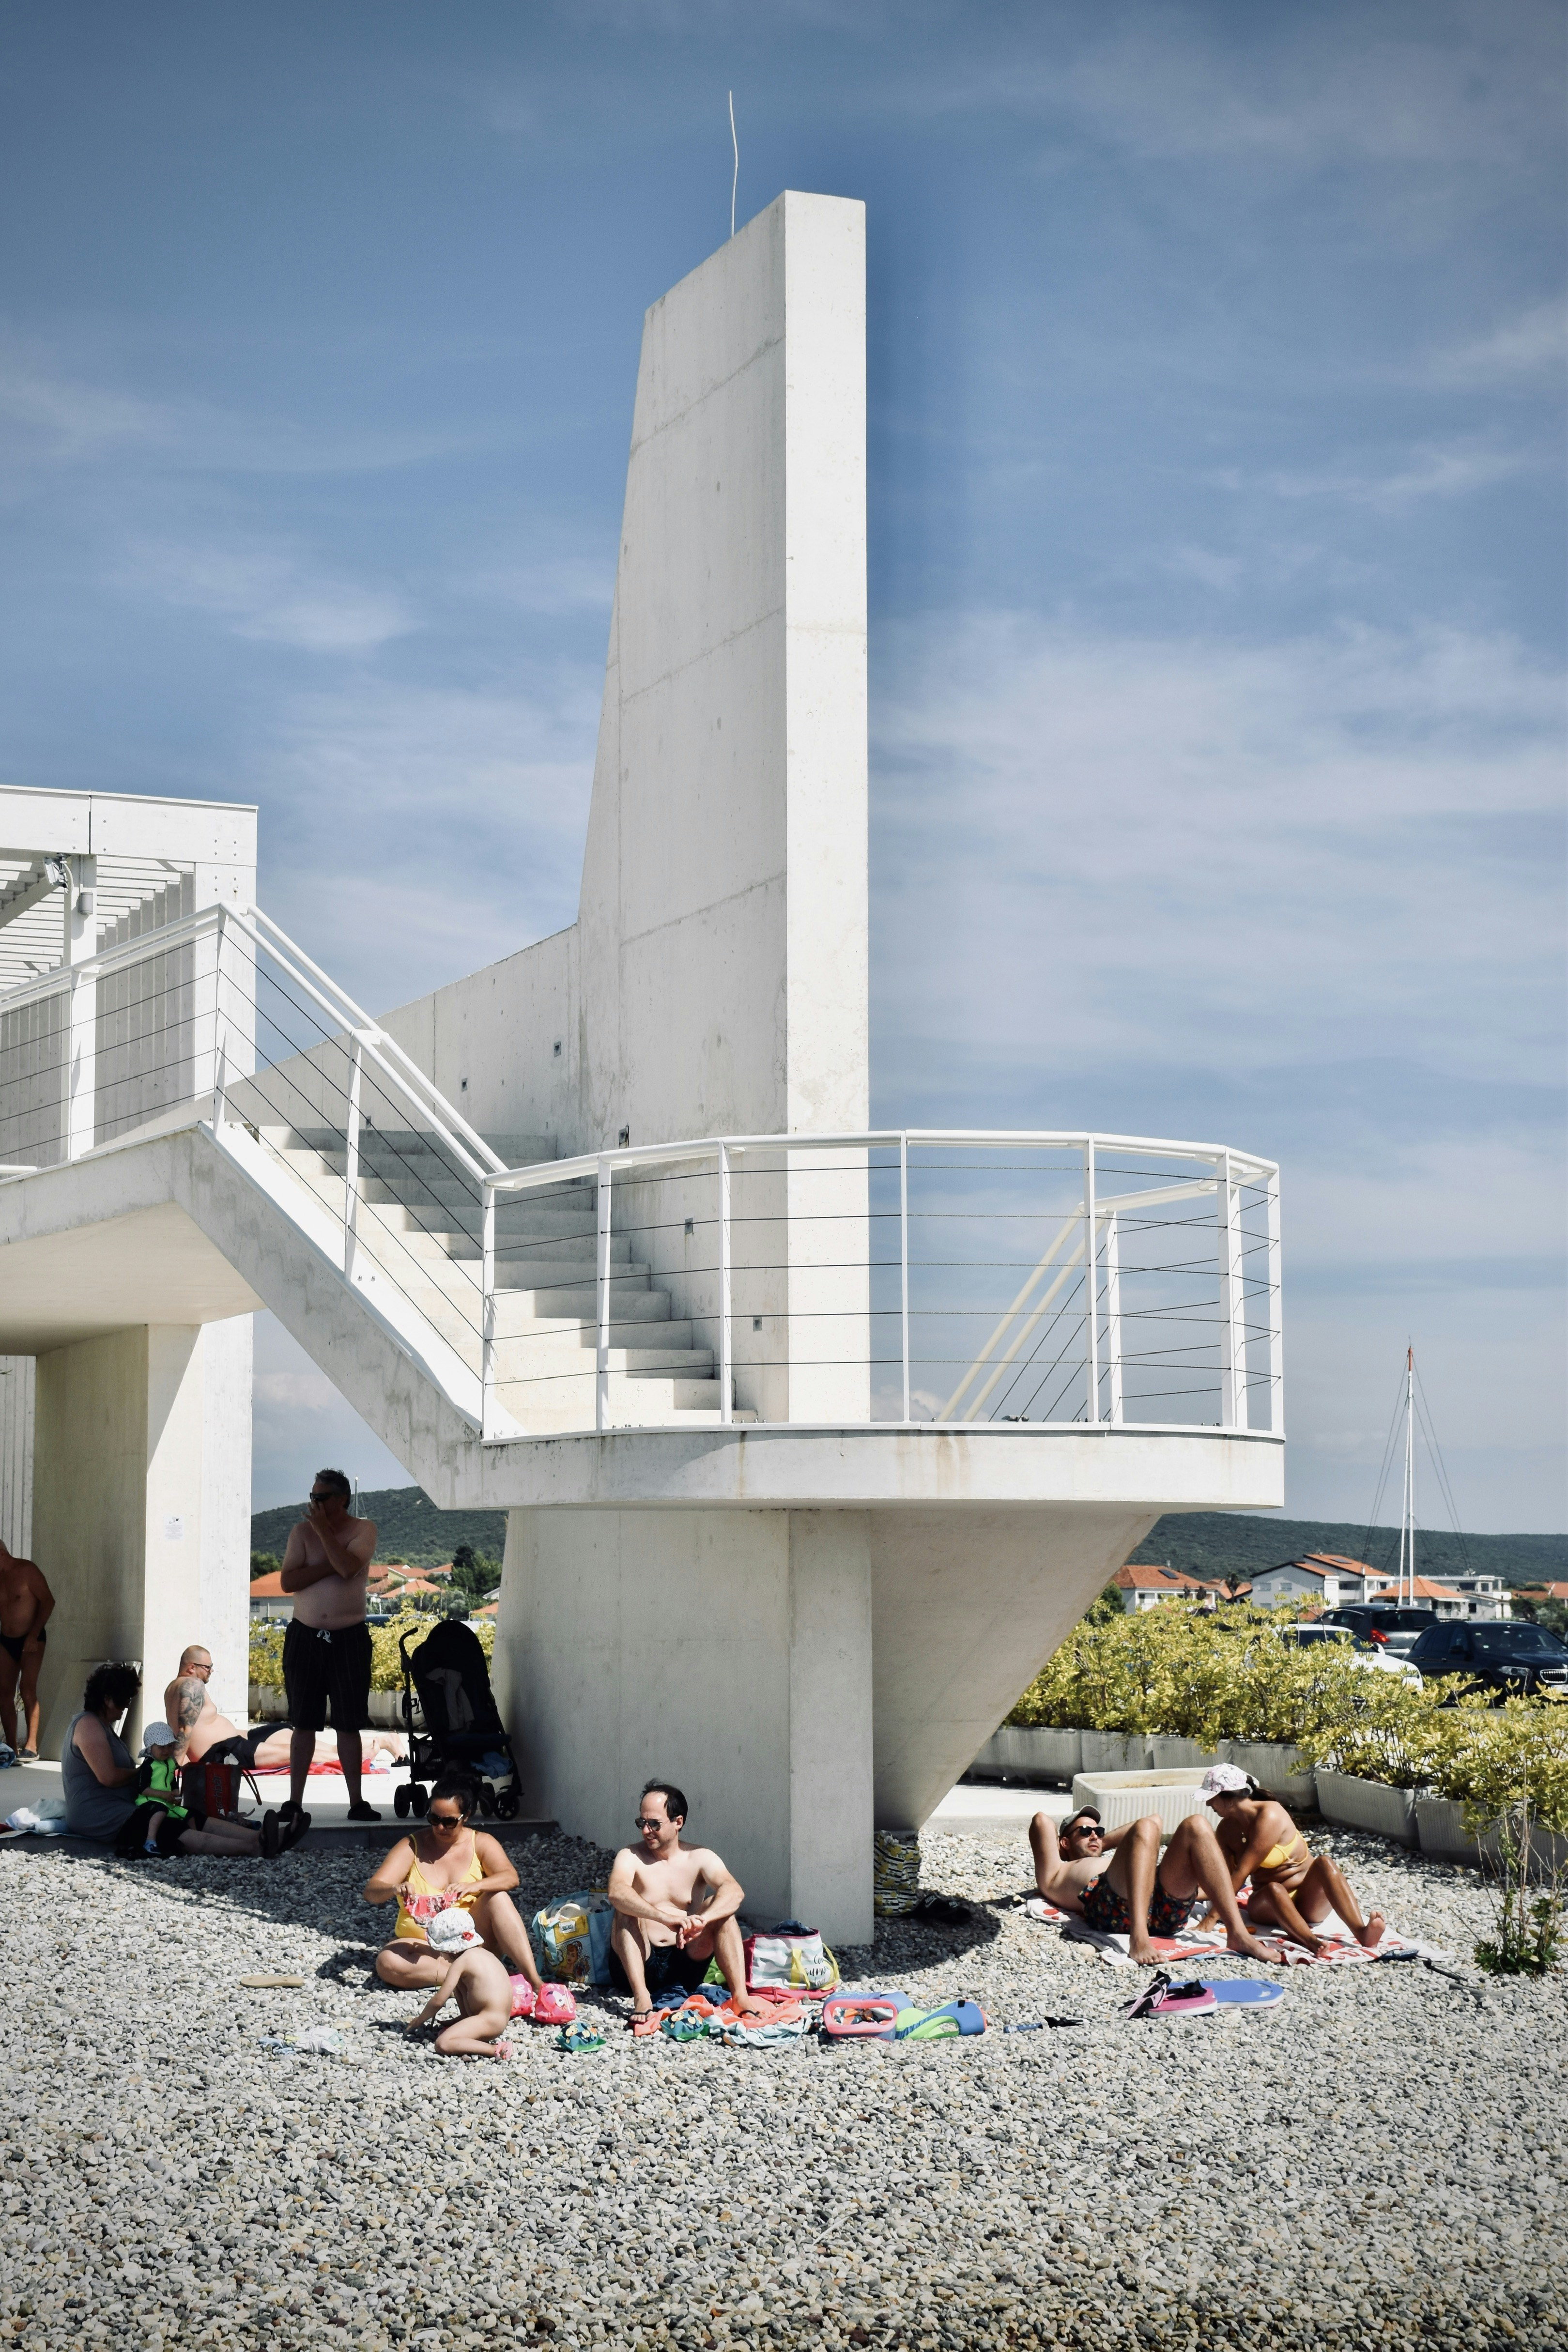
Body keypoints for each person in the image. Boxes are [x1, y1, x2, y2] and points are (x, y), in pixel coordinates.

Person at [62, 1664, 274, 1856]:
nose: (127, 1706)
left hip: (119, 1808)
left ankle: (263, 1837)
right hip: (100, 1816)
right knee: (169, 1827)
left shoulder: (102, 1725)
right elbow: (108, 1777)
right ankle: (251, 1847)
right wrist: (144, 1773)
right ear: (108, 1699)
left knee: (189, 1815)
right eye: (124, 1699)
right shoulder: (88, 1726)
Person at [1029, 1802, 1270, 1967]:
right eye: (1084, 1831)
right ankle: (1139, 1938)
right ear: (1064, 1842)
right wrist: (1089, 1844)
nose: (1094, 1835)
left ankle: (1237, 1934)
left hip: (1163, 1911)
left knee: (1196, 1824)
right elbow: (1041, 1821)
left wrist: (1101, 1844)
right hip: (1113, 1909)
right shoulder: (1057, 1872)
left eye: (1099, 1831)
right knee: (1145, 1826)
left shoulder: (1115, 1858)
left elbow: (1156, 1820)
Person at [363, 1776, 544, 1994]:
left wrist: (475, 1886)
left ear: (466, 1816)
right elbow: (372, 1891)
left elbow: (510, 1878)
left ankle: (535, 1981)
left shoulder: (482, 1842)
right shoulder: (412, 1845)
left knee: (499, 1898)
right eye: (433, 1819)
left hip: (472, 1940)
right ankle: (476, 1976)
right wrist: (394, 1889)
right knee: (388, 1963)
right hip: (424, 1946)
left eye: (449, 1822)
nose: (440, 1827)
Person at [606, 1780, 766, 2019]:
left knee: (722, 1910)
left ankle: (740, 1998)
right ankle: (642, 1997)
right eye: (642, 1823)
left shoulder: (700, 1857)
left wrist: (703, 1920)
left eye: (655, 1824)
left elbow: (734, 1892)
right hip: (640, 1961)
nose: (646, 1831)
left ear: (678, 1822)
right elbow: (617, 1892)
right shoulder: (630, 1856)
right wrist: (663, 1917)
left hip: (685, 1962)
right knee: (627, 1909)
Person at [278, 1470, 379, 1829]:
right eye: (312, 1496)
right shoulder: (301, 1533)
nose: (314, 1504)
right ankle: (294, 1801)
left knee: (348, 1723)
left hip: (349, 1636)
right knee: (303, 1722)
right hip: (305, 1635)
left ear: (341, 1499)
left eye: (321, 1498)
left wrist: (323, 1537)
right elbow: (289, 1580)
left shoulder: (362, 1529)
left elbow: (349, 1569)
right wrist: (327, 1563)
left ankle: (357, 1801)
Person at [1199, 1762, 1385, 1952]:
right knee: (1274, 1889)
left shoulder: (1270, 1814)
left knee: (1325, 1863)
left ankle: (1362, 1932)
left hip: (1308, 1901)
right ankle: (1311, 1942)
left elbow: (1242, 1872)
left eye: (1211, 1798)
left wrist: (1211, 1919)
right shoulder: (1225, 1831)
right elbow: (1225, 1879)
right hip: (1268, 1904)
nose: (1208, 1804)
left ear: (1229, 1798)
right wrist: (1191, 1895)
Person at [404, 1943, 515, 2060]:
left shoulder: (462, 1962)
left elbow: (439, 2001)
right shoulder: (487, 1954)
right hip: (499, 2018)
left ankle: (496, 2049)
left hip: (489, 2021)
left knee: (443, 2043)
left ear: (450, 1951)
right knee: (459, 1981)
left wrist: (419, 2021)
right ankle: (465, 2021)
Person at [0, 1536, 55, 1761]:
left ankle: (31, 1746)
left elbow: (49, 1601)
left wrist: (33, 1634)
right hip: (6, 1639)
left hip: (32, 1638)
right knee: (3, 1693)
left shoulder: (27, 1570)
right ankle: (12, 1748)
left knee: (27, 1688)